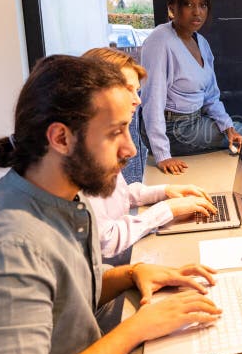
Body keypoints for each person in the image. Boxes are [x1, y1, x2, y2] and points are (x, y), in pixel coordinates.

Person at [0, 55, 221, 354]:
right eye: (115, 133)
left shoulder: (67, 197)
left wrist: (132, 273)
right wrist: (136, 329)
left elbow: (69, 293)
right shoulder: (6, 253)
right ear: (61, 138)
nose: (130, 150)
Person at [82, 47, 217, 260]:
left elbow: (121, 195)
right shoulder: (83, 156)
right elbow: (106, 241)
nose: (138, 100)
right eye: (129, 89)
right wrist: (167, 210)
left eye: (138, 90)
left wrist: (166, 191)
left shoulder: (102, 142)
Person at [140, 0, 242, 175]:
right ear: (172, 8)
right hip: (172, 129)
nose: (197, 11)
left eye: (202, 5)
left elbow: (210, 95)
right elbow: (151, 100)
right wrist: (163, 154)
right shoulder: (160, 41)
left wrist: (227, 127)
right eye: (188, 4)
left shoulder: (201, 42)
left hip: (195, 121)